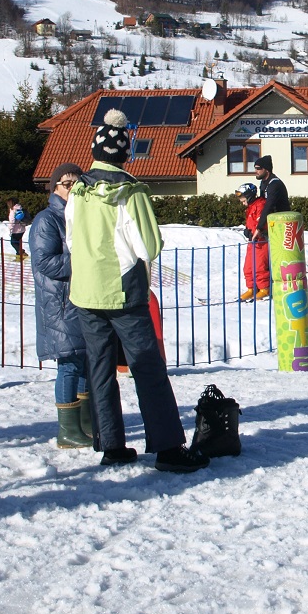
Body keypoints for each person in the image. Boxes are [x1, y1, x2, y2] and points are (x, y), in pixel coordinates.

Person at [65, 108, 209, 473]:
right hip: (123, 292)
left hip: (84, 292)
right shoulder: (128, 192)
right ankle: (167, 447)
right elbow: (150, 244)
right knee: (147, 367)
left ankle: (111, 444)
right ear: (125, 153)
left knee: (99, 368)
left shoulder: (77, 192)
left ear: (95, 150)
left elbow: (71, 241)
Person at [30, 163, 91, 448]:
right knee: (69, 364)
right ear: (55, 188)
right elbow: (45, 262)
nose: (72, 189)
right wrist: (85, 262)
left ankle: (86, 423)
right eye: (66, 184)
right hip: (60, 304)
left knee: (86, 362)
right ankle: (67, 430)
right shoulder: (47, 220)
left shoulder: (80, 216)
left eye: (77, 184)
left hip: (81, 300)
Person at [236, 182, 270, 301]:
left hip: (261, 241)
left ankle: (264, 288)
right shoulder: (251, 207)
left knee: (260, 266)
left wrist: (256, 231)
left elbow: (261, 221)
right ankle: (251, 288)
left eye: (244, 200)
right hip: (252, 242)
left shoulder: (260, 205)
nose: (243, 203)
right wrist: (247, 230)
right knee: (248, 267)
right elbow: (251, 222)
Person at [252, 155, 290, 244]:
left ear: (266, 169)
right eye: (255, 168)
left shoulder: (274, 184)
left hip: (282, 225)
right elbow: (261, 203)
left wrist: (259, 228)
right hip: (271, 223)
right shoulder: (264, 183)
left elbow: (268, 206)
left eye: (258, 168)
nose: (255, 171)